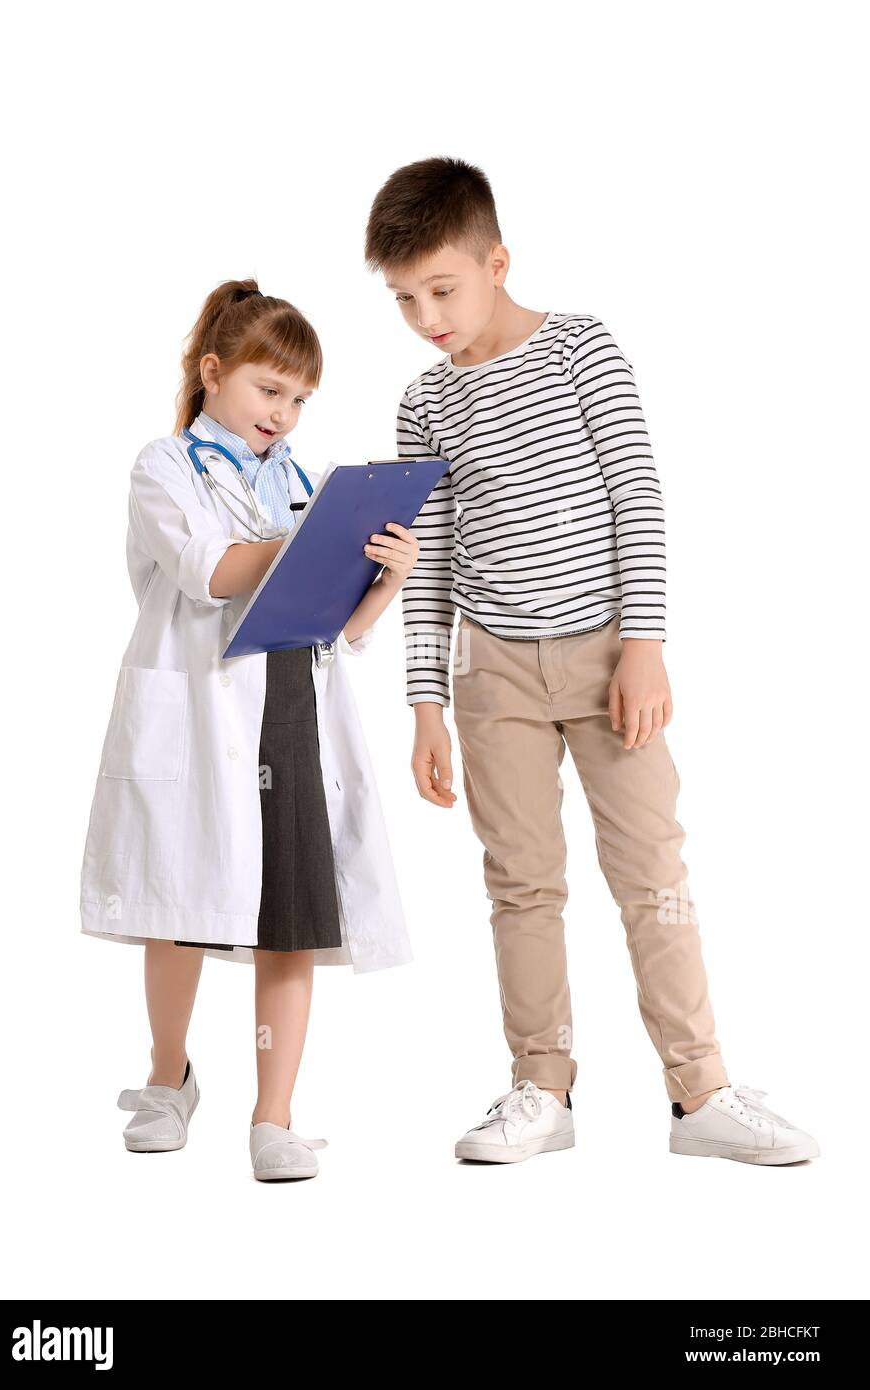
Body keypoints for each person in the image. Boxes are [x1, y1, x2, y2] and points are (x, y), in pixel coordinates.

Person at [364, 158, 819, 1166]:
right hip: (491, 676)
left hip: (606, 656)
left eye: (442, 289)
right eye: (402, 300)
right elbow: (427, 558)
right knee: (520, 884)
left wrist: (645, 645)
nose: (425, 315)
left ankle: (699, 1094)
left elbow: (636, 498)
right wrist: (425, 705)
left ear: (496, 261)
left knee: (651, 873)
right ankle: (540, 1088)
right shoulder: (422, 402)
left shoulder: (579, 347)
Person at [80, 278, 418, 1181]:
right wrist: (304, 541)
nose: (287, 413)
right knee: (179, 906)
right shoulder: (165, 466)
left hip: (292, 710)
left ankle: (274, 1116)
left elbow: (335, 624)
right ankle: (167, 1078)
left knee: (291, 914)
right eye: (271, 390)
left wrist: (380, 580)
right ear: (214, 373)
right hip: (200, 715)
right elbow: (206, 572)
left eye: (301, 399)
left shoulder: (302, 483)